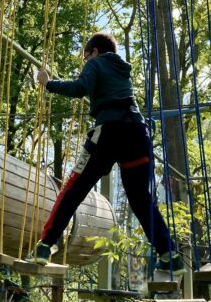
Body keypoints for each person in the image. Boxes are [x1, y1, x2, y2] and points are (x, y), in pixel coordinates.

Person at [33, 32, 181, 271]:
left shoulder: (97, 63)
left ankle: (45, 244)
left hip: (110, 132)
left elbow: (80, 87)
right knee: (141, 199)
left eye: (86, 57)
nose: (86, 61)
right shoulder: (122, 70)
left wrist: (47, 83)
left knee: (74, 188)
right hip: (137, 134)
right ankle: (169, 254)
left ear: (95, 51)